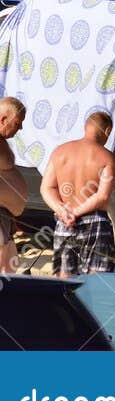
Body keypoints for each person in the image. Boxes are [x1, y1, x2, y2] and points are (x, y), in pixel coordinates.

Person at [41, 112, 115, 277]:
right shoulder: (107, 158)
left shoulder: (59, 152)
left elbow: (46, 188)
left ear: (85, 128)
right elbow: (102, 196)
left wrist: (62, 211)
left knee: (64, 281)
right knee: (98, 280)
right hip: (95, 223)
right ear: (107, 130)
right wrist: (76, 212)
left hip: (65, 222)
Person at [0, 98, 25, 274]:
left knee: (8, 270)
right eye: (17, 123)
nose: (20, 128)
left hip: (4, 216)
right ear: (3, 119)